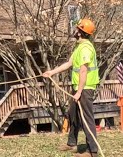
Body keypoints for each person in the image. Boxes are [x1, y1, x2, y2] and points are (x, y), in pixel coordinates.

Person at [41, 18, 100, 155]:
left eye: (77, 29)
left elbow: (84, 70)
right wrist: (51, 72)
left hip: (85, 88)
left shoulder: (86, 48)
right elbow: (69, 64)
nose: (75, 31)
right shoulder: (79, 47)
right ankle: (71, 143)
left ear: (80, 32)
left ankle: (93, 150)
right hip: (79, 87)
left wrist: (79, 91)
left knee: (86, 118)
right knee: (73, 115)